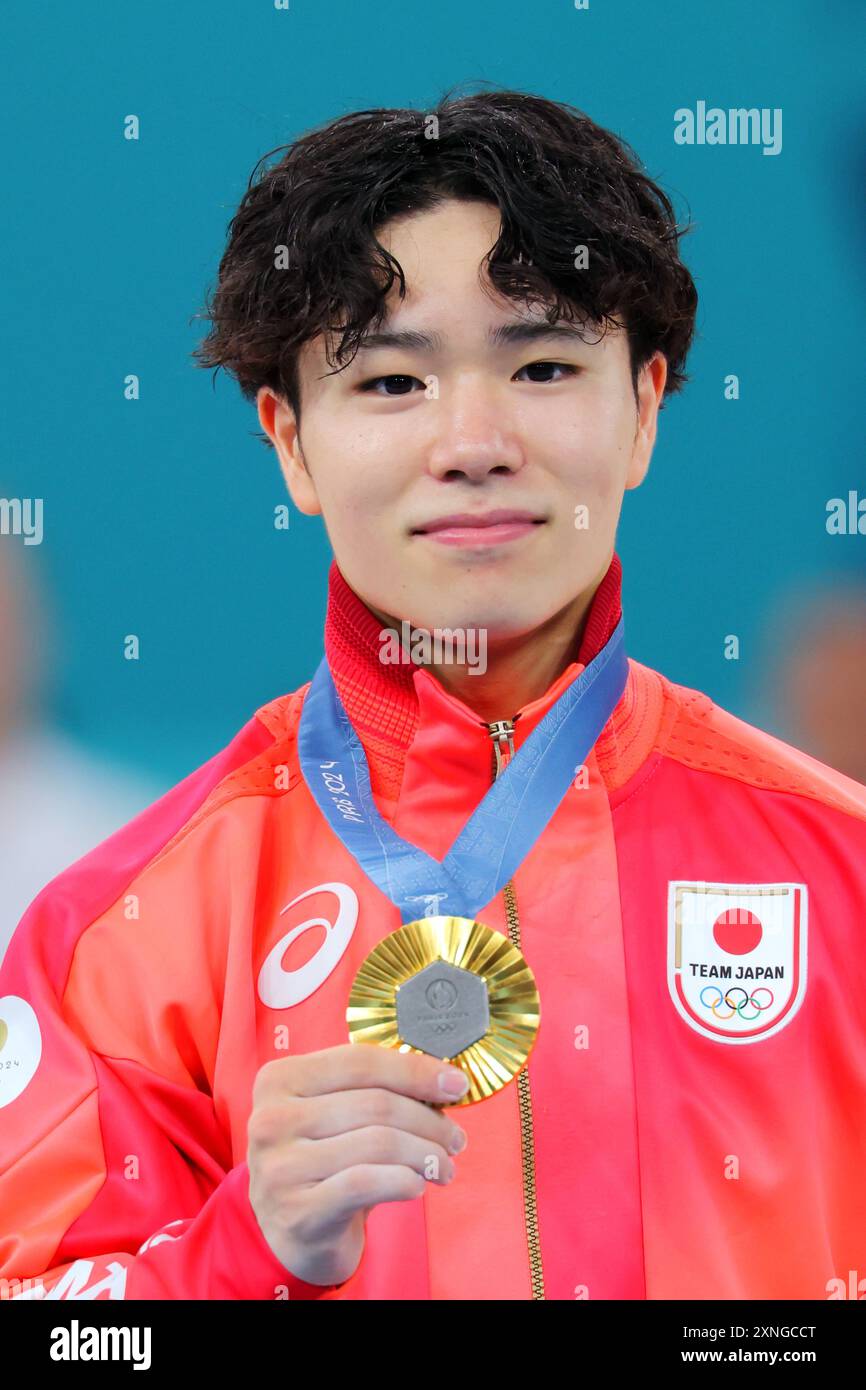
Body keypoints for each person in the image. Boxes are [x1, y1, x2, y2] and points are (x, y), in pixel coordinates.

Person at [2, 88, 865, 1303]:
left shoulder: (840, 868)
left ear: (642, 411)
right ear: (290, 443)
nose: (471, 442)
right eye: (391, 383)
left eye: (543, 365)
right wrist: (243, 1251)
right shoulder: (123, 934)